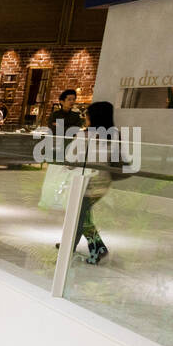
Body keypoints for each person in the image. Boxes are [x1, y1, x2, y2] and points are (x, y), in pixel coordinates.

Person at [62, 100, 128, 265]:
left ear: (93, 117)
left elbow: (70, 160)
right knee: (83, 215)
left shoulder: (83, 136)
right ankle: (71, 245)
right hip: (103, 183)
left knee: (81, 218)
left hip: (84, 184)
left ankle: (98, 249)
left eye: (87, 114)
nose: (85, 117)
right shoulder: (115, 136)